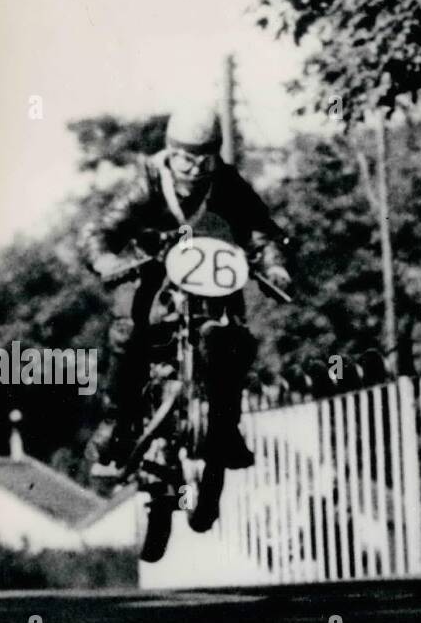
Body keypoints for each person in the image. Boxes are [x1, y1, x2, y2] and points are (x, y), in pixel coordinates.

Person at [81, 102, 291, 472]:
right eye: (185, 161)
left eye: (204, 161)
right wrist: (106, 261)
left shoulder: (228, 183)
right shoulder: (146, 182)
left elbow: (262, 231)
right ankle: (114, 422)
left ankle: (226, 426)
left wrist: (274, 266)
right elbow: (101, 231)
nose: (194, 171)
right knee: (128, 332)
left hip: (211, 279)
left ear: (215, 158)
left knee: (235, 340)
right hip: (151, 273)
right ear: (169, 153)